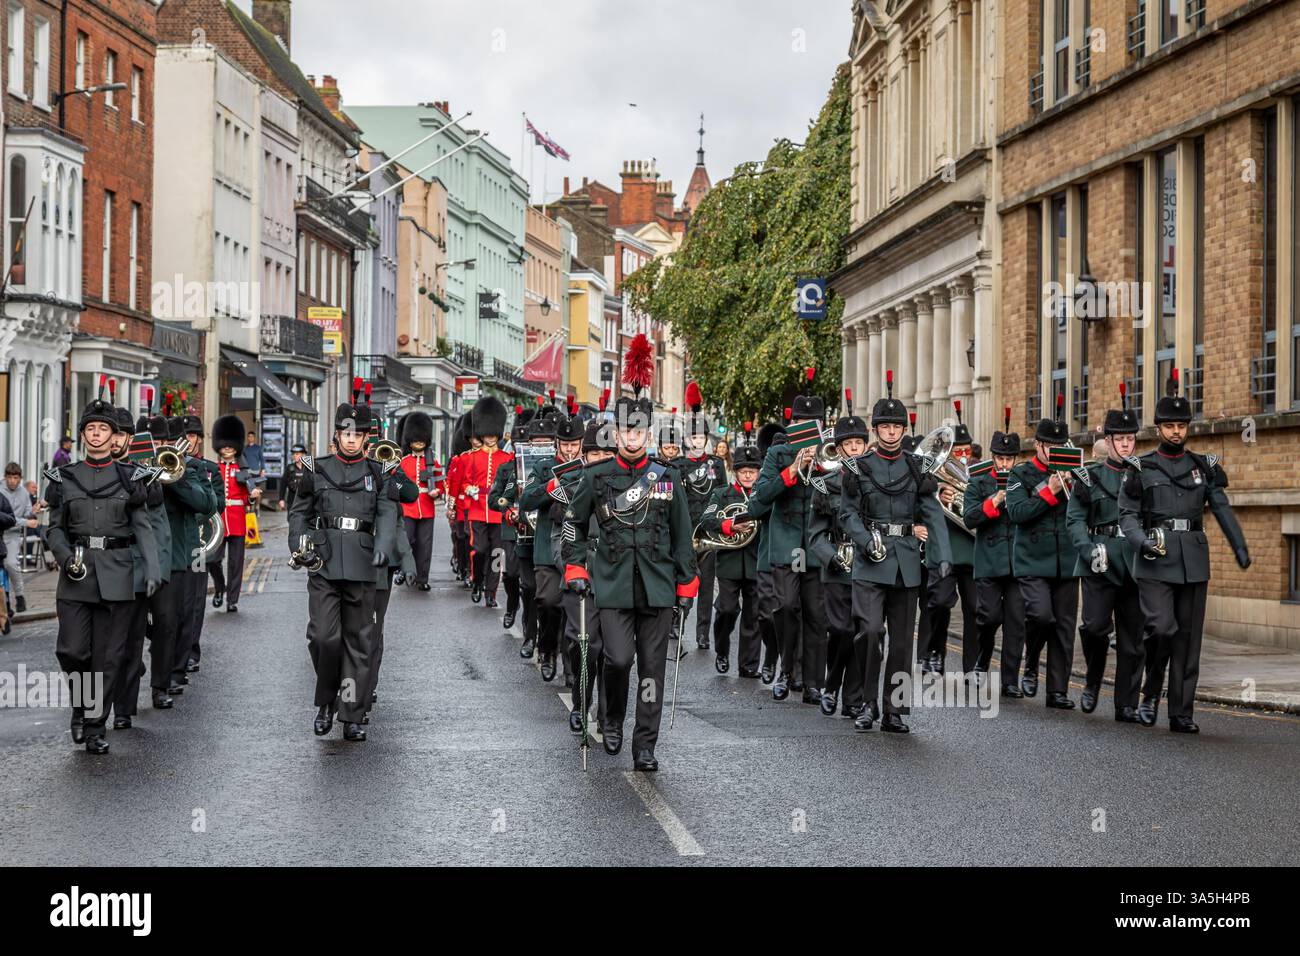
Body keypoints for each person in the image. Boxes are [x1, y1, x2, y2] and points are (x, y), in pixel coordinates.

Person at [561, 334, 698, 771]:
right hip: (614, 584)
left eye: (639, 430)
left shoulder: (667, 477)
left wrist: (687, 580)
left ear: (647, 433)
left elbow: (681, 534)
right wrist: (576, 566)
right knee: (617, 660)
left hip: (657, 586)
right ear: (615, 432)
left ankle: (645, 746)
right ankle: (612, 719)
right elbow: (573, 524)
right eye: (625, 430)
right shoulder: (598, 477)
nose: (633, 437)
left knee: (652, 671)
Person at [1119, 370, 1250, 733]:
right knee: (1161, 629)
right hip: (1154, 560)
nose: (1177, 431)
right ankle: (1149, 692)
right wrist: (1142, 542)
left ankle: (1181, 712)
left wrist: (1239, 545)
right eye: (1170, 426)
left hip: (1193, 561)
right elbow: (1127, 517)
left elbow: (1221, 507)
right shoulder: (1140, 468)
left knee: (1187, 640)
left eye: (1182, 425)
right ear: (1158, 428)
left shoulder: (1202, 467)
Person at [46, 382, 159, 754]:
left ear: (114, 438)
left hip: (118, 573)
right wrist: (65, 557)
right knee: (73, 652)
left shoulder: (131, 478)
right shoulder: (63, 478)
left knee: (107, 659)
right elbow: (54, 529)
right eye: (90, 429)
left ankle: (95, 726)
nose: (96, 435)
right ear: (82, 436)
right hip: (76, 576)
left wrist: (153, 571)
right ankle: (80, 705)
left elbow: (143, 526)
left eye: (103, 429)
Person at [839, 371, 951, 733]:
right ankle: (866, 703)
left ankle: (894, 710)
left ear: (904, 430)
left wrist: (942, 554)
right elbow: (847, 513)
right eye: (884, 427)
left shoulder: (917, 468)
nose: (890, 432)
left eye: (896, 427)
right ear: (875, 430)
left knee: (902, 642)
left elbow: (933, 512)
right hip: (871, 561)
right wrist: (862, 539)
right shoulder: (859, 468)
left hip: (905, 561)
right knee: (870, 632)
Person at [289, 393, 397, 742]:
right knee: (323, 637)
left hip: (364, 564)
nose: (351, 439)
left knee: (358, 643)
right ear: (337, 435)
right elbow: (299, 514)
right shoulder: (316, 469)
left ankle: (350, 714)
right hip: (323, 563)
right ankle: (326, 701)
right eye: (345, 433)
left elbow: (387, 513)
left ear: (367, 438)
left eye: (357, 434)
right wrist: (300, 545)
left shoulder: (378, 474)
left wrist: (383, 548)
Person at [754, 368, 829, 704]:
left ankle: (814, 682)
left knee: (816, 612)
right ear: (792, 422)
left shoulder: (830, 457)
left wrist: (822, 471)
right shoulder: (777, 454)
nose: (807, 428)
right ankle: (787, 671)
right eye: (801, 421)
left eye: (813, 422)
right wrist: (790, 471)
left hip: (815, 544)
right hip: (786, 545)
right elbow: (759, 498)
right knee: (785, 608)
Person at [1005, 399, 1079, 708]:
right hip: (1033, 561)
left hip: (1066, 562)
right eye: (1050, 446)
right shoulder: (1021, 475)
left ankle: (1058, 691)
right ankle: (1032, 660)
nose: (1056, 451)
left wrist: (1078, 488)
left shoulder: (1075, 473)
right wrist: (1049, 491)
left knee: (1063, 627)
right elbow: (1017, 513)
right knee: (1040, 615)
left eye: (1061, 446)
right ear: (1038, 445)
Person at [807, 397, 867, 717]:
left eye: (859, 443)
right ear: (840, 449)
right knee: (841, 630)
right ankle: (831, 685)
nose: (855, 449)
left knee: (861, 630)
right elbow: (814, 534)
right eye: (849, 444)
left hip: (868, 562)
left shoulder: (874, 484)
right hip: (836, 565)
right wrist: (831, 557)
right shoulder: (826, 485)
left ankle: (853, 699)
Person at [963, 409, 1026, 695]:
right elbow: (969, 517)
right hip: (988, 562)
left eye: (1008, 459)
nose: (1004, 464)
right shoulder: (979, 482)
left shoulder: (1022, 480)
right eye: (999, 458)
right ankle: (983, 658)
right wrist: (994, 501)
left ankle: (1010, 680)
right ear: (992, 456)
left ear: (1016, 459)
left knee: (1016, 622)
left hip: (1017, 561)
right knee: (988, 617)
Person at [518, 406, 583, 681]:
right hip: (546, 546)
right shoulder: (545, 466)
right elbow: (527, 499)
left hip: (576, 547)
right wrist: (549, 486)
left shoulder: (588, 466)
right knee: (547, 601)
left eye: (574, 444)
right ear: (558, 443)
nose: (569, 450)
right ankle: (546, 650)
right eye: (565, 444)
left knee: (571, 607)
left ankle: (570, 666)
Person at [919, 401, 978, 676]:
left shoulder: (980, 475)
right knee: (939, 603)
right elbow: (918, 500)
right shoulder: (931, 475)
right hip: (943, 548)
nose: (962, 456)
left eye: (966, 450)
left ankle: (972, 667)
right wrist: (939, 490)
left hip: (972, 550)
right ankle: (935, 652)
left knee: (976, 610)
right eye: (958, 451)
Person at [698, 427, 762, 676]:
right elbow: (706, 519)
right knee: (726, 609)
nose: (748, 476)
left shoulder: (762, 495)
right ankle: (722, 650)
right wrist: (729, 525)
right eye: (744, 472)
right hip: (729, 560)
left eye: (752, 472)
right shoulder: (721, 494)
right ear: (735, 472)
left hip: (756, 559)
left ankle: (749, 665)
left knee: (753, 614)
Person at [678, 383, 726, 652]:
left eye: (701, 438)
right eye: (693, 438)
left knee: (707, 585)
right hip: (687, 530)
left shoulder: (716, 465)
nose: (697, 442)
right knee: (684, 579)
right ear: (686, 440)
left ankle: (702, 632)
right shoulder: (680, 466)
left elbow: (723, 494)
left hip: (708, 532)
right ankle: (678, 623)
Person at [463, 397, 513, 608]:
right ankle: (477, 581)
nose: (490, 437)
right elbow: (465, 482)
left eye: (493, 433)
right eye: (487, 433)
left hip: (497, 511)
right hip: (477, 509)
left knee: (496, 553)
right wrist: (469, 489)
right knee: (480, 549)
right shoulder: (471, 457)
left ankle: (491, 592)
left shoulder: (506, 458)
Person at [208, 416, 255, 613]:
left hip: (236, 520)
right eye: (224, 444)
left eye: (231, 444)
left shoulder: (243, 470)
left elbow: (247, 499)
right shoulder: (212, 469)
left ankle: (232, 600)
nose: (227, 448)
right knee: (213, 559)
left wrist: (253, 496)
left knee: (236, 563)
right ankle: (219, 588)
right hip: (218, 521)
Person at [397, 410, 443, 591]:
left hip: (426, 506)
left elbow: (441, 483)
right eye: (415, 440)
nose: (418, 443)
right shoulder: (403, 461)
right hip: (408, 508)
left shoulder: (433, 462)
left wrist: (437, 492)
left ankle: (422, 578)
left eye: (421, 441)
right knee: (407, 540)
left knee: (425, 545)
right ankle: (404, 571)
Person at [2, 462, 35, 613]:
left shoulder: (23, 493)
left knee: (11, 564)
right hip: (0, 532)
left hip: (13, 535)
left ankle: (20, 596)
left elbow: (28, 511)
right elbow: (7, 518)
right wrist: (26, 521)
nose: (12, 481)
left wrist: (33, 511)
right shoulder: (0, 491)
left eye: (15, 478)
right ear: (5, 477)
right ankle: (5, 602)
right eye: (9, 477)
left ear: (20, 479)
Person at [282, 443, 309, 513]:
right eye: (293, 454)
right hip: (292, 500)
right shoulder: (289, 468)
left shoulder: (309, 468)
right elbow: (283, 484)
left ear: (303, 454)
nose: (294, 456)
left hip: (305, 501)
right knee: (291, 521)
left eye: (297, 454)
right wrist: (281, 499)